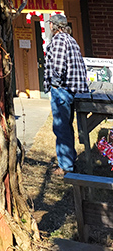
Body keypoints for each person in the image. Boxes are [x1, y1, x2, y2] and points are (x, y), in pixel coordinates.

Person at [43, 12, 88, 174]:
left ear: (54, 26)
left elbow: (58, 67)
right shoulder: (71, 40)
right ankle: (69, 159)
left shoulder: (59, 40)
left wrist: (54, 85)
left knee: (61, 127)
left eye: (50, 24)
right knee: (66, 127)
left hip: (62, 90)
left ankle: (66, 166)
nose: (49, 26)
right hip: (72, 89)